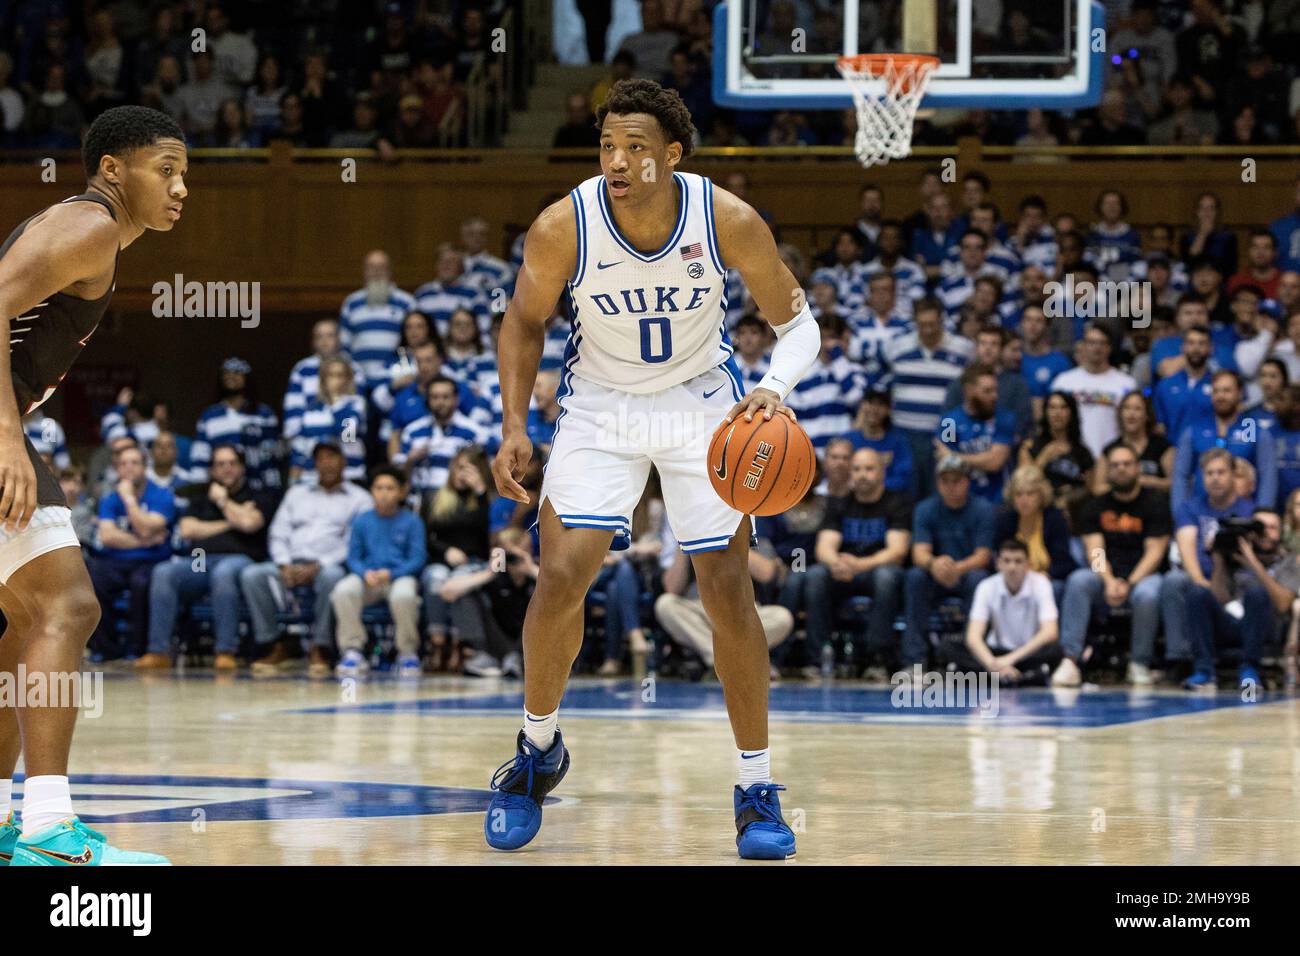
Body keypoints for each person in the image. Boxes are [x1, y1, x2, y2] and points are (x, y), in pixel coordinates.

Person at [482, 78, 821, 859]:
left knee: (726, 587)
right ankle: (537, 751)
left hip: (703, 403)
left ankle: (757, 787)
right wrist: (513, 423)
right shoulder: (563, 224)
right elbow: (522, 322)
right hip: (601, 404)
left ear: (672, 154)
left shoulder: (724, 218)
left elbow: (797, 324)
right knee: (561, 574)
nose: (619, 161)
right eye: (608, 146)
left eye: (637, 148)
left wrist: (771, 391)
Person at [0, 106, 184, 866]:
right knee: (67, 605)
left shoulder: (85, 232)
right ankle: (47, 831)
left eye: (185, 175)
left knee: (22, 627)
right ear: (114, 169)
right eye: (165, 169)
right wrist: (8, 436)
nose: (181, 188)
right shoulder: (90, 226)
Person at [139, 445, 277, 673]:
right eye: (220, 464)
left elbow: (250, 524)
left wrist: (223, 502)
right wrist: (233, 519)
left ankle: (225, 651)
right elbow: (187, 529)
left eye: (232, 463)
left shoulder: (257, 493)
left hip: (240, 558)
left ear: (242, 467)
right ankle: (158, 651)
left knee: (223, 574)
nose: (227, 469)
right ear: (212, 470)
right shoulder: (202, 495)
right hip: (200, 558)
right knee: (164, 572)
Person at [239, 442, 372, 678]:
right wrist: (283, 564)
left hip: (328, 565)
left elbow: (354, 542)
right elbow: (278, 532)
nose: (327, 463)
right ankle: (275, 643)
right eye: (321, 458)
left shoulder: (360, 498)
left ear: (344, 462)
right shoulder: (296, 493)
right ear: (315, 464)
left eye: (333, 457)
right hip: (290, 562)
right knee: (253, 575)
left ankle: (320, 647)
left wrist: (319, 564)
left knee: (333, 578)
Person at [1055, 443, 1171, 688]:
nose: (1121, 469)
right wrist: (1109, 581)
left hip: (1142, 577)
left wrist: (1128, 583)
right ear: (1107, 471)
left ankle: (1139, 662)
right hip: (1106, 577)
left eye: (1127, 464)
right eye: (1115, 465)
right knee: (1079, 580)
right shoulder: (1095, 505)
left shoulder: (1155, 502)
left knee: (1148, 593)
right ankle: (1070, 660)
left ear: (1138, 468)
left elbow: (1155, 553)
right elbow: (1095, 551)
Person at [804, 449, 911, 674]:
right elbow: (823, 546)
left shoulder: (896, 503)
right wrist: (837, 563)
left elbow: (897, 551)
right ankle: (818, 658)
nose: (862, 475)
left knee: (887, 576)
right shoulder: (839, 504)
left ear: (882, 472)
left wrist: (859, 565)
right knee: (815, 575)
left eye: (869, 469)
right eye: (857, 469)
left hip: (875, 570)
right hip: (845, 572)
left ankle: (877, 658)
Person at [1164, 448, 1261, 691]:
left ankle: (1250, 670)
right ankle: (1202, 670)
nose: (1215, 478)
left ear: (1232, 475)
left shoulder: (1251, 510)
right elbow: (1187, 546)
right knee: (1192, 590)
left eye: (1220, 472)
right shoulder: (1191, 508)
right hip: (1208, 585)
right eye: (1209, 473)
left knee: (1258, 593)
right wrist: (1201, 579)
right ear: (1202, 478)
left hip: (1243, 583)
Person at [902, 456, 995, 674]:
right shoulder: (925, 509)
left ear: (967, 482)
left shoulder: (983, 509)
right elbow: (919, 553)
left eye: (957, 480)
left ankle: (966, 658)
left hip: (967, 572)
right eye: (946, 481)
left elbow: (983, 556)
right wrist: (934, 563)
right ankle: (915, 660)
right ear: (938, 483)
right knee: (915, 577)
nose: (951, 486)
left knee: (979, 580)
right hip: (936, 573)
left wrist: (957, 569)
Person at [331, 466, 426, 677]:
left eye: (390, 488)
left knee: (405, 595)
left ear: (401, 492)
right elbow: (353, 557)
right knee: (343, 590)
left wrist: (391, 574)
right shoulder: (362, 520)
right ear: (372, 491)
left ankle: (407, 653)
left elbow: (417, 559)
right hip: (368, 579)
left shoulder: (412, 521)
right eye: (379, 487)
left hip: (398, 577)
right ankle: (352, 650)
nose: (384, 493)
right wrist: (364, 572)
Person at [87, 445, 175, 660]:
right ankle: (106, 648)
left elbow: (145, 527)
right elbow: (108, 536)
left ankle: (137, 649)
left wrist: (129, 500)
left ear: (145, 467)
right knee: (93, 578)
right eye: (123, 464)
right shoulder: (109, 498)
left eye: (134, 463)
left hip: (151, 561)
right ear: (117, 469)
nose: (128, 468)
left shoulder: (161, 495)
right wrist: (146, 541)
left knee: (141, 584)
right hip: (116, 559)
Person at [955, 539, 1061, 685]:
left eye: (1018, 561)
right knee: (948, 646)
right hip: (995, 653)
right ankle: (1018, 677)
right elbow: (973, 637)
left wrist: (1010, 659)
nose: (1012, 567)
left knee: (1056, 650)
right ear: (998, 564)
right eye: (1006, 561)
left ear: (1028, 565)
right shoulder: (986, 586)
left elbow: (1050, 632)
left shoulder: (1041, 584)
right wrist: (993, 664)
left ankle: (995, 678)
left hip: (1027, 653)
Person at [1172, 369, 1276, 512]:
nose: (1221, 396)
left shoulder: (1250, 428)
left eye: (1227, 391)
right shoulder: (1196, 429)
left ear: (1240, 393)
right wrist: (1180, 514)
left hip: (1244, 514)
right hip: (1200, 513)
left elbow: (1267, 476)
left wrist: (1264, 512)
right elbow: (1181, 476)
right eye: (1216, 391)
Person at [1049, 323, 1136, 458]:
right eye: (1092, 342)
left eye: (1102, 343)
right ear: (1083, 346)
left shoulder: (1126, 384)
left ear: (1109, 347)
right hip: (1073, 458)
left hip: (1112, 458)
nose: (1097, 347)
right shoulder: (1064, 382)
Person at [935, 363, 1015, 503]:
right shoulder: (950, 422)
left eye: (995, 390)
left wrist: (955, 456)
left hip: (998, 500)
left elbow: (995, 462)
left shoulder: (1004, 418)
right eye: (987, 391)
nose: (994, 396)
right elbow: (946, 463)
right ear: (969, 390)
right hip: (962, 502)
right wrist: (951, 458)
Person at [1018, 391, 1095, 521]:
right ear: (1045, 412)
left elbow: (1090, 490)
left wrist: (1070, 498)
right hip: (1038, 513)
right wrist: (1044, 458)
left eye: (1063, 407)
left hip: (1073, 514)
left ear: (1071, 413)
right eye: (1052, 407)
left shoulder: (1083, 452)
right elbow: (1023, 484)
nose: (1057, 413)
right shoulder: (1030, 446)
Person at [1100, 391, 1175, 495]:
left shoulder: (1163, 447)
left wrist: (1151, 482)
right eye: (1126, 408)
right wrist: (1125, 485)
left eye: (1137, 409)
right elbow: (1097, 487)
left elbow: (1176, 484)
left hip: (1155, 507)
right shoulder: (1110, 449)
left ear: (1147, 415)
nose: (1131, 413)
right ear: (1120, 414)